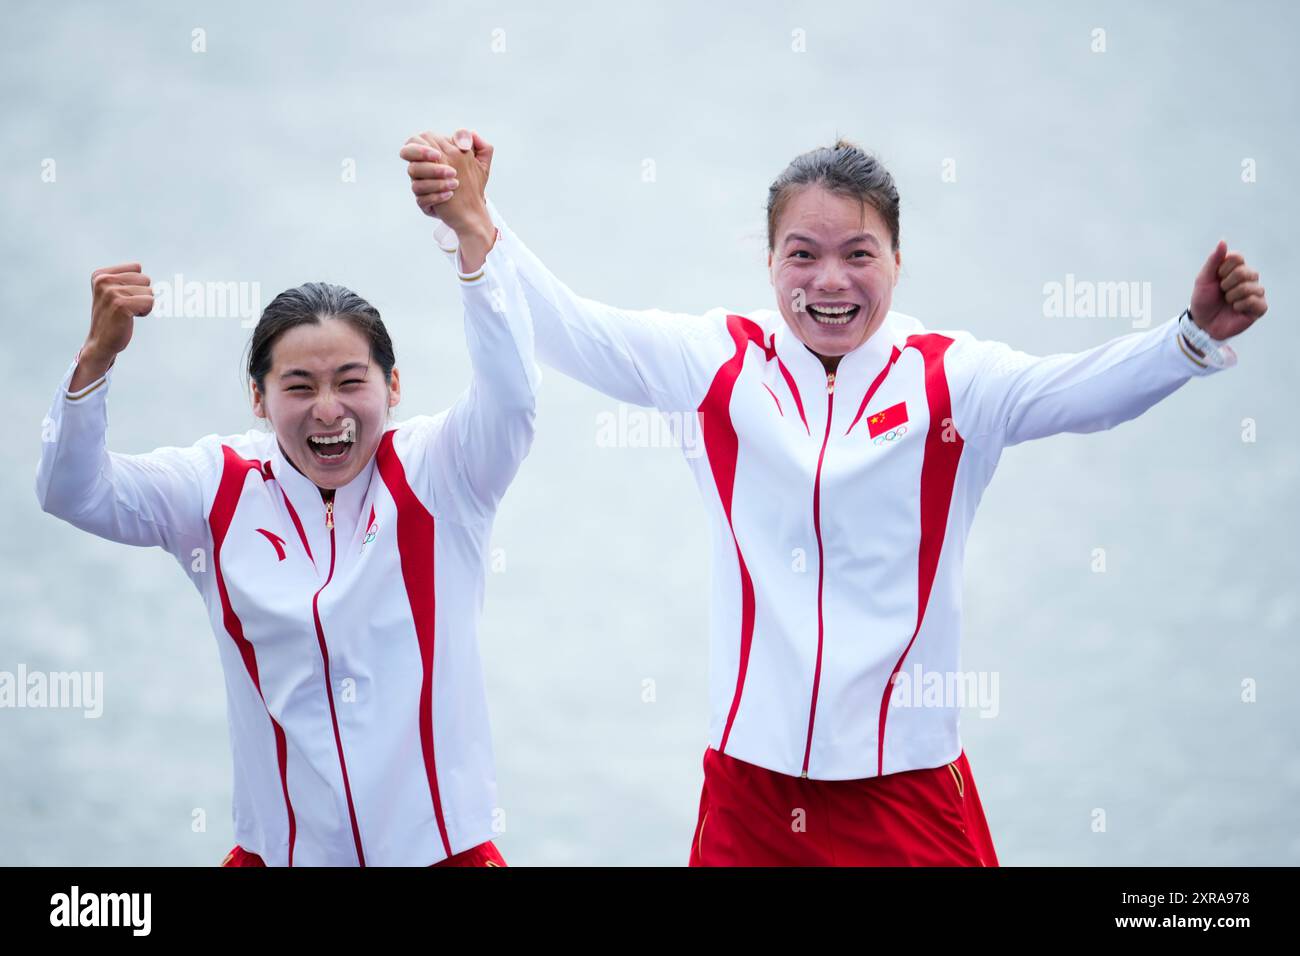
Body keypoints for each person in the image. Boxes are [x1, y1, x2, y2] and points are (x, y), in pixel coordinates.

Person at [404, 129, 1269, 866]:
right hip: (751, 791)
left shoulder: (952, 379)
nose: (830, 282)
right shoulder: (718, 363)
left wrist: (1186, 340)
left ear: (897, 260)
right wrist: (474, 224)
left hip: (909, 792)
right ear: (771, 260)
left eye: (859, 254)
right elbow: (570, 328)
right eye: (803, 254)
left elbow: (1077, 394)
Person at [35, 136, 538, 866]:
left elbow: (514, 398)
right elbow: (69, 490)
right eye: (299, 387)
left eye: (351, 381)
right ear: (259, 401)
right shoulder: (215, 488)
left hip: (447, 855)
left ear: (393, 389)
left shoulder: (442, 474)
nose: (328, 411)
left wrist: (471, 235)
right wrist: (96, 361)